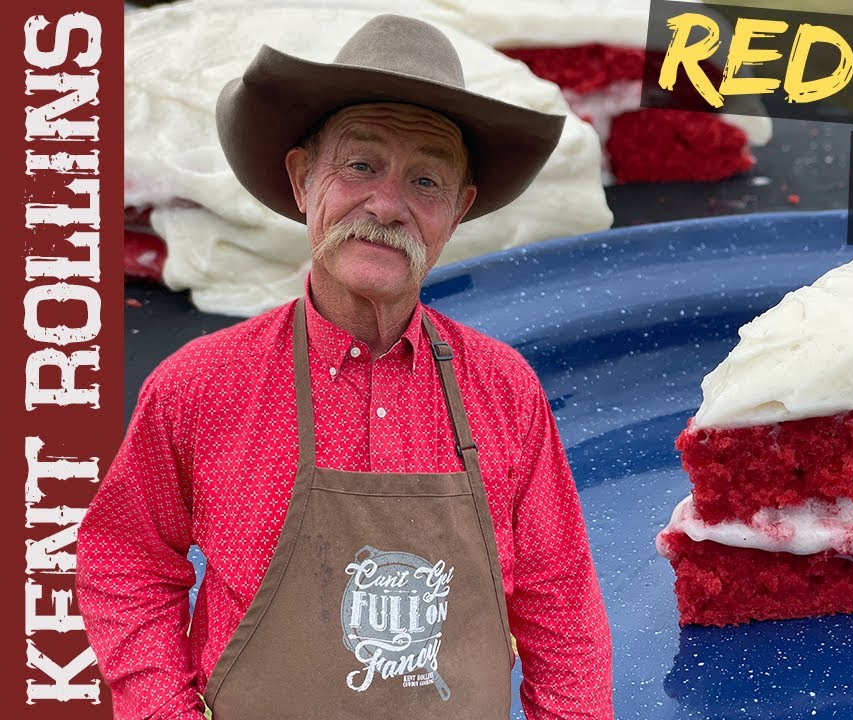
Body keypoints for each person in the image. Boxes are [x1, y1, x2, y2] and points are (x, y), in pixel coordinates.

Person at [77, 14, 612, 719]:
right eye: (360, 165)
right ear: (303, 180)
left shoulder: (504, 390)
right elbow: (126, 559)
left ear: (458, 212)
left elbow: (562, 610)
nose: (387, 205)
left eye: (426, 180)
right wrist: (160, 710)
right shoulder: (198, 387)